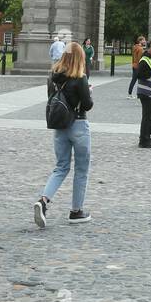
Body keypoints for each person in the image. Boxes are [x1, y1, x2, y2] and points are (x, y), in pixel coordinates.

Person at [36, 41, 94, 224]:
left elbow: (51, 99)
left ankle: (43, 200)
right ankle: (76, 211)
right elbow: (87, 105)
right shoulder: (80, 77)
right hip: (78, 125)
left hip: (60, 126)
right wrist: (89, 92)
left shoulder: (53, 77)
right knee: (81, 169)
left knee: (61, 167)